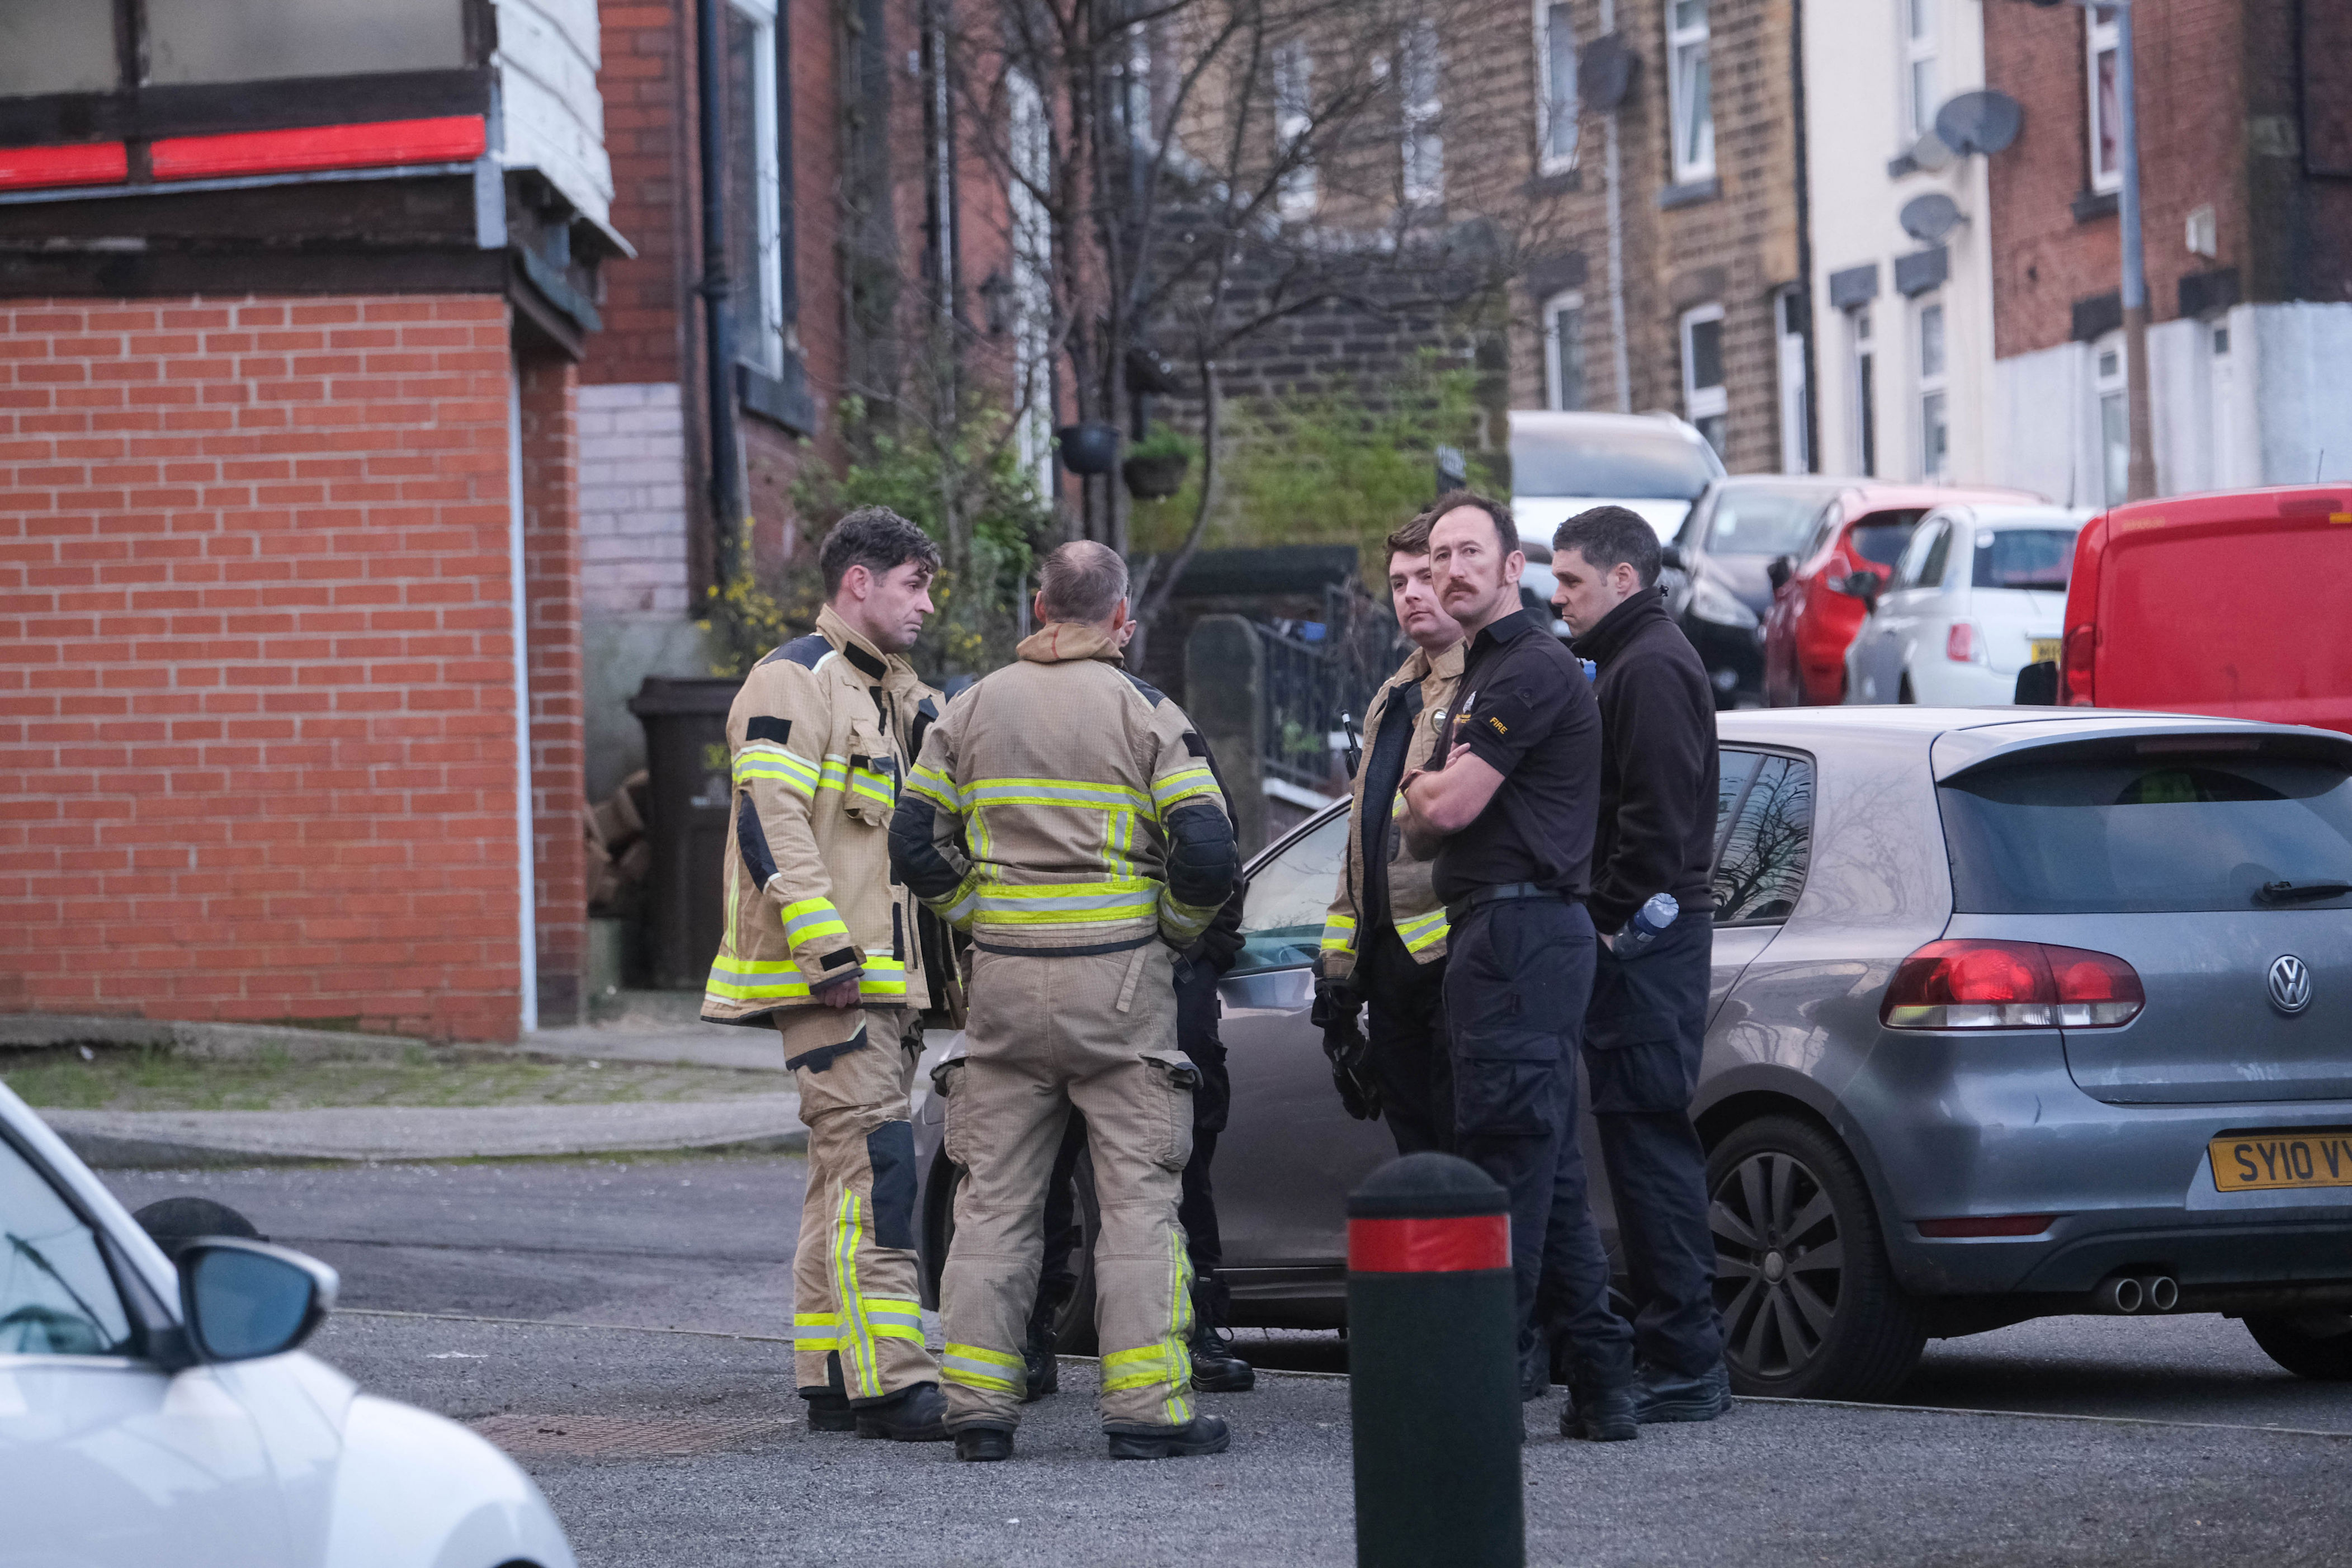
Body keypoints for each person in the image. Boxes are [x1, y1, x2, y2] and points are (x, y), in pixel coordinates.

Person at [889, 541, 1240, 1463]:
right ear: (1121, 617)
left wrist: (980, 913)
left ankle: (977, 1408)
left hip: (1004, 983)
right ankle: (1146, 1409)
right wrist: (1167, 925)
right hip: (1120, 986)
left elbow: (914, 843)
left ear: (1041, 607)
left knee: (993, 1200)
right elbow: (1208, 851)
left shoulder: (969, 705)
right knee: (1134, 1203)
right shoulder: (1148, 711)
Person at [700, 507, 952, 1442]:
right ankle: (892, 1379)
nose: (926, 602)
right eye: (913, 584)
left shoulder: (893, 692)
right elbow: (772, 816)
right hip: (835, 981)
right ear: (860, 583)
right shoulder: (796, 676)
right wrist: (826, 952)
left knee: (839, 1174)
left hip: (878, 983)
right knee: (876, 1171)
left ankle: (833, 1370)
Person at [1397, 492, 1639, 1441]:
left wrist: (1422, 784)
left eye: (1469, 553)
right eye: (1438, 555)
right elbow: (1432, 821)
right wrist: (1434, 788)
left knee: (1503, 1159)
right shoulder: (1492, 669)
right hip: (1504, 936)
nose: (1450, 570)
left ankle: (1478, 1392)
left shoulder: (1528, 669)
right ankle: (1604, 1378)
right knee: (1545, 1164)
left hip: (1522, 936)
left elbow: (1442, 811)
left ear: (1513, 567)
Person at [1550, 504, 1730, 1424]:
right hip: (1644, 935)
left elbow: (1655, 823)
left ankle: (1686, 1358)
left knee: (1648, 1135)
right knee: (1637, 1133)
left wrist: (1607, 923)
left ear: (1625, 577)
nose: (1558, 597)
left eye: (1571, 581)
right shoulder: (1630, 659)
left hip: (1648, 941)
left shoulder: (1649, 667)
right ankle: (1676, 1348)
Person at [1023, 792, 1255, 1401]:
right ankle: (1035, 1330)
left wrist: (1190, 952)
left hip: (1164, 966)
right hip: (1052, 961)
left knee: (1172, 1149)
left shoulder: (1158, 725)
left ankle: (1196, 1322)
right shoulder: (1028, 722)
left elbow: (1215, 856)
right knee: (1045, 1152)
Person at [1314, 504, 1466, 1155]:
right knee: (1421, 1166)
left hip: (1456, 972)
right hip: (1393, 978)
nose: (1410, 594)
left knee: (1468, 1169)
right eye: (1399, 582)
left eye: (1423, 577)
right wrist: (1339, 981)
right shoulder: (1394, 695)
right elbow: (1363, 844)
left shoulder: (1487, 685)